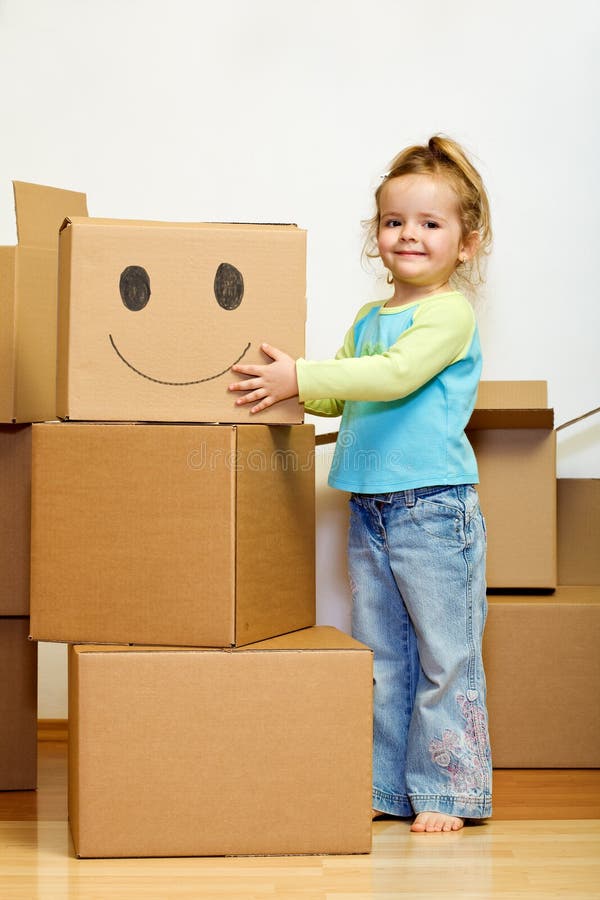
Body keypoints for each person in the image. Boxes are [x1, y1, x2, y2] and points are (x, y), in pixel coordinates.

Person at [229, 135, 493, 834]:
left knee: (445, 655)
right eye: (394, 221)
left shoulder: (448, 314)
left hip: (433, 509)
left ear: (466, 244)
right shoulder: (370, 319)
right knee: (382, 657)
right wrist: (289, 386)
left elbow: (393, 376)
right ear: (376, 234)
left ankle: (449, 792)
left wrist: (306, 377)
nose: (409, 234)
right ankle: (388, 785)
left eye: (431, 223)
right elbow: (342, 393)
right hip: (372, 510)